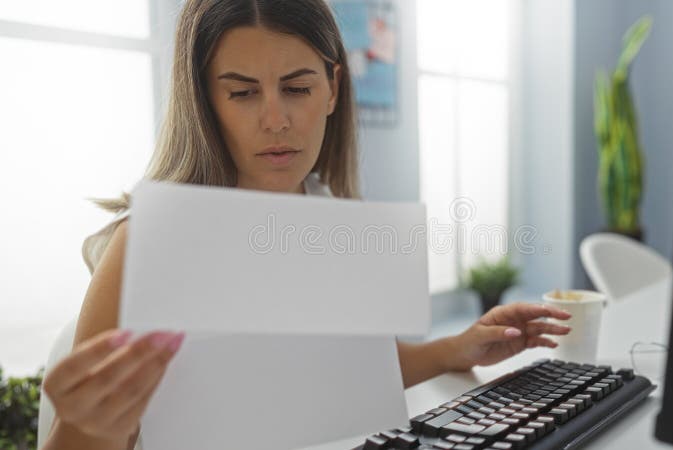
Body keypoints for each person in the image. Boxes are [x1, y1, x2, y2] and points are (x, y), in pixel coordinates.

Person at [40, 1, 572, 449]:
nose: (275, 119)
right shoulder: (145, 245)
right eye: (242, 92)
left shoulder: (333, 216)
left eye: (296, 88)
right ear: (205, 100)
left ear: (333, 88)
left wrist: (458, 347)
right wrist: (91, 425)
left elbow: (351, 371)